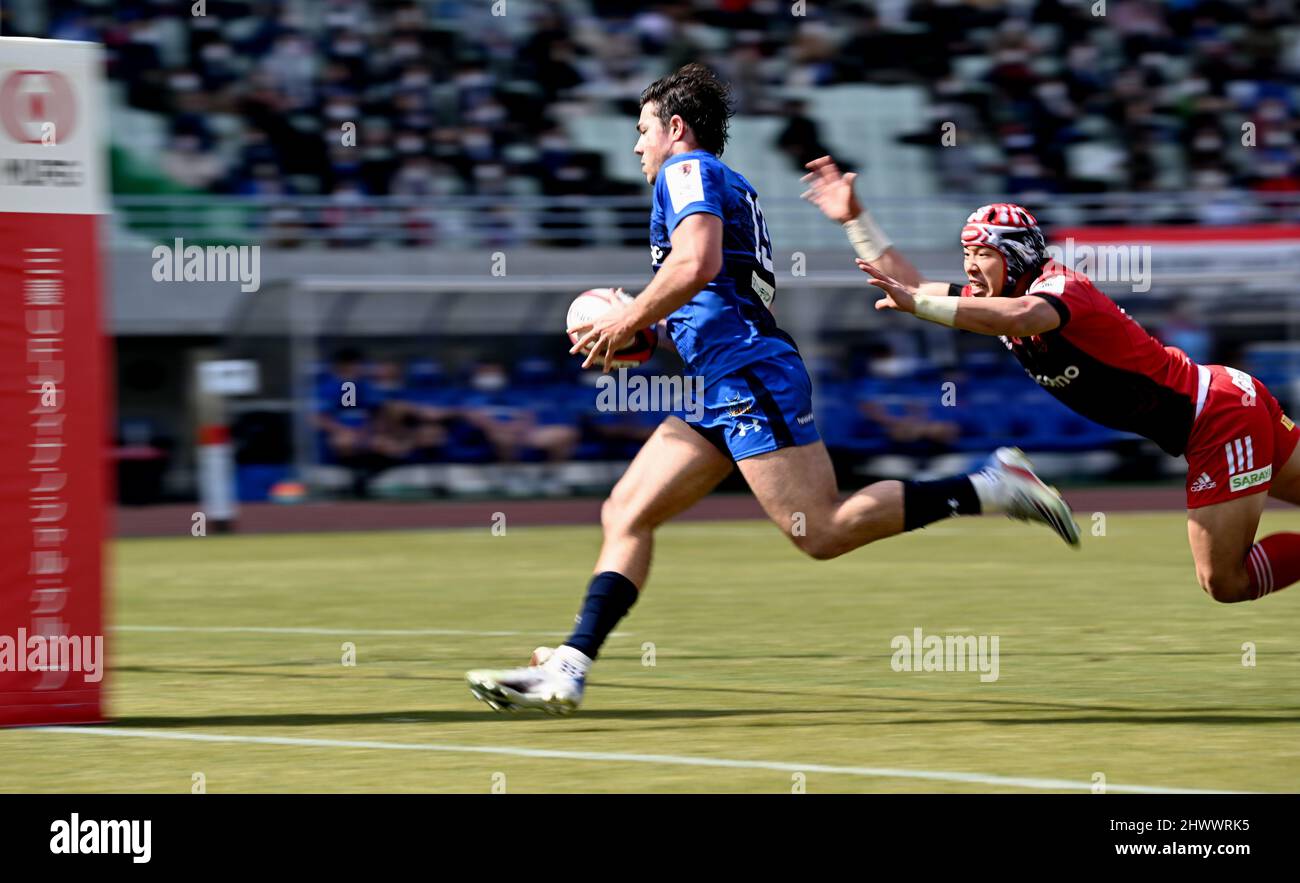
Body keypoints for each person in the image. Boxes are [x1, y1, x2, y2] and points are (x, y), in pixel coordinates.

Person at [465, 67, 1078, 716]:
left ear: (676, 128)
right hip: (723, 376)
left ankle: (995, 485)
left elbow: (695, 264)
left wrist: (628, 318)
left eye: (642, 130)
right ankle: (571, 664)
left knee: (821, 530)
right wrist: (649, 330)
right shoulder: (717, 183)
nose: (637, 146)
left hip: (748, 374)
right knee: (626, 510)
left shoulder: (687, 172)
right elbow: (716, 293)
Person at [801, 155, 1300, 605]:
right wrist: (854, 220)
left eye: (983, 254)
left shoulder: (1059, 288)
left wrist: (924, 305)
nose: (970, 266)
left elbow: (1018, 317)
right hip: (1222, 405)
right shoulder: (1001, 297)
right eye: (966, 254)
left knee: (1224, 582)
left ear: (1015, 256)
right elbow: (908, 287)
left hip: (1219, 421)